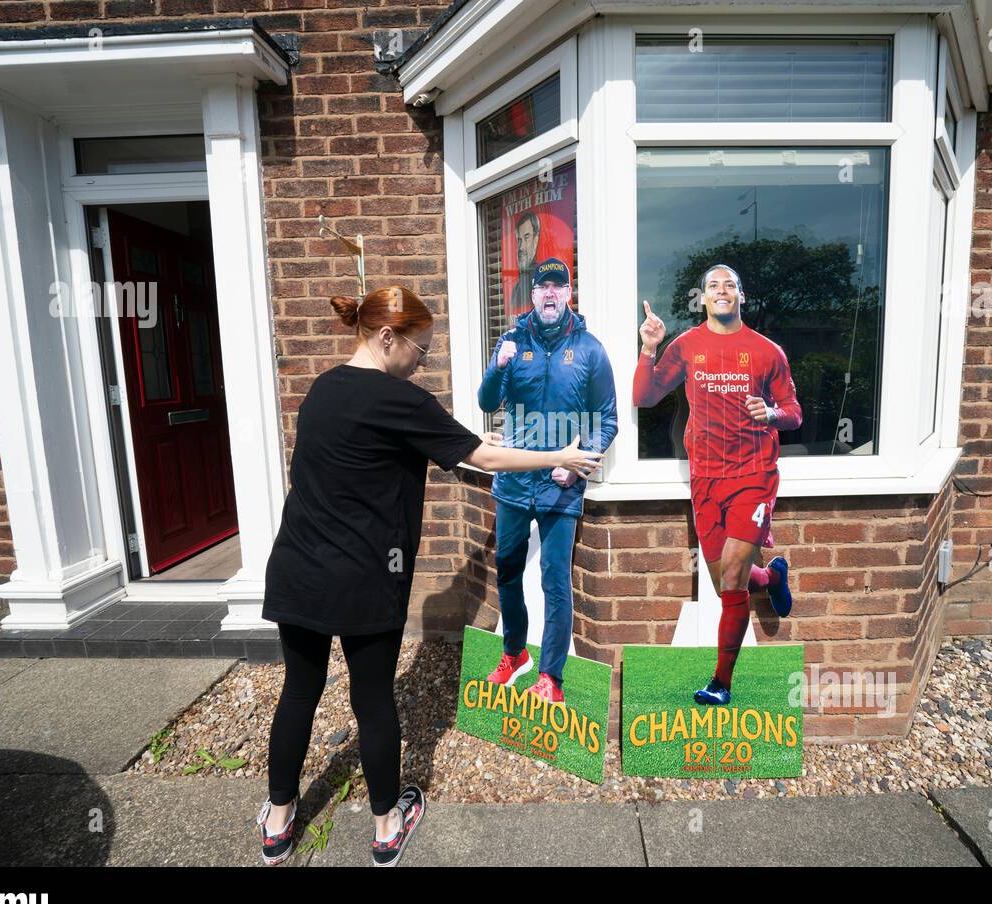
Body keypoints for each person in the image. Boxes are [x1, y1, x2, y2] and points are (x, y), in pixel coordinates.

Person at [257, 286, 601, 866]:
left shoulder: (322, 389)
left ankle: (278, 822)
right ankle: (387, 827)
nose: (424, 362)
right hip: (365, 577)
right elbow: (482, 461)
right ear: (387, 338)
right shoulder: (399, 398)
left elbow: (414, 447)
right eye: (421, 350)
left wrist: (472, 441)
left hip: (297, 569)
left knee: (299, 691)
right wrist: (557, 457)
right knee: (372, 700)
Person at [632, 265, 803, 706]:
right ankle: (770, 575)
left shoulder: (768, 352)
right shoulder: (687, 346)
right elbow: (645, 397)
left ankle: (720, 684)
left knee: (730, 575)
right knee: (726, 583)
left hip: (753, 476)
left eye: (730, 285)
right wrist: (649, 349)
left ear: (740, 296)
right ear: (704, 298)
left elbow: (795, 412)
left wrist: (772, 413)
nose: (721, 291)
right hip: (705, 480)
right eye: (713, 286)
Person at [477, 258, 617, 704]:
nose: (551, 293)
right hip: (515, 485)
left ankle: (551, 676)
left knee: (555, 579)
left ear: (568, 294)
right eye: (543, 287)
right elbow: (486, 400)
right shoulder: (511, 341)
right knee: (508, 573)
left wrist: (578, 463)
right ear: (533, 295)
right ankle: (514, 652)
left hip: (561, 485)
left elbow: (607, 418)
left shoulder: (590, 349)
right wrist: (499, 366)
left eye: (559, 285)